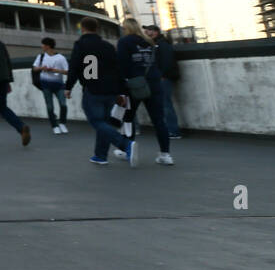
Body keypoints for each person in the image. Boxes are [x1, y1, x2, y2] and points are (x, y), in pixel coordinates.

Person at [65, 17, 135, 165]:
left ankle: (125, 144)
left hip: (92, 88)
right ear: (97, 28)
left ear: (82, 28)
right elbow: (118, 69)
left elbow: (74, 67)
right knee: (104, 123)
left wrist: (68, 86)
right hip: (110, 89)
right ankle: (100, 155)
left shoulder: (80, 45)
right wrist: (122, 91)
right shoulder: (108, 46)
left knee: (97, 121)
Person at [117, 17, 174, 167]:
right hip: (154, 84)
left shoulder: (124, 42)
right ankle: (165, 154)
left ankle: (127, 149)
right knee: (159, 120)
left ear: (126, 28)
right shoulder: (150, 42)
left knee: (128, 117)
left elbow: (122, 67)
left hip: (135, 84)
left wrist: (121, 89)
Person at [144, 24, 182, 139]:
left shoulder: (161, 44)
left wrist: (162, 75)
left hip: (164, 78)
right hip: (163, 77)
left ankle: (173, 131)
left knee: (165, 104)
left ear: (155, 32)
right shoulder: (159, 43)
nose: (146, 32)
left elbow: (167, 61)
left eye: (149, 30)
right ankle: (171, 130)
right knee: (164, 103)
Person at [32, 37, 70, 134]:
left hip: (59, 85)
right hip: (45, 84)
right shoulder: (41, 56)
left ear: (47, 46)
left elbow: (67, 72)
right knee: (50, 107)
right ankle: (54, 125)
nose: (42, 46)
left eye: (43, 44)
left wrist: (55, 70)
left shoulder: (61, 58)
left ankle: (62, 123)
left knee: (63, 104)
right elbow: (34, 69)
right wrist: (42, 68)